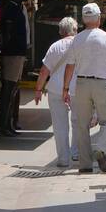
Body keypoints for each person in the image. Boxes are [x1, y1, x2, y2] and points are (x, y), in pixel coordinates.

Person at [62, 2, 106, 174]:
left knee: (82, 126)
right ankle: (101, 148)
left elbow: (70, 66)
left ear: (83, 19)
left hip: (81, 83)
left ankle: (85, 165)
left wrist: (65, 88)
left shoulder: (77, 39)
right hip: (102, 83)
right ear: (98, 18)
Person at [33, 17, 79, 168]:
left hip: (55, 89)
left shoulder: (54, 46)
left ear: (60, 31)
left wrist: (38, 89)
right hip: (76, 89)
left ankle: (63, 159)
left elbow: (44, 71)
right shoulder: (80, 44)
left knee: (60, 126)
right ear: (75, 30)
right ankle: (76, 153)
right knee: (78, 122)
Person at [0, 0, 30, 136]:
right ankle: (3, 125)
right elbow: (7, 32)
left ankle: (8, 123)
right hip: (12, 54)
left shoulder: (17, 7)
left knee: (12, 89)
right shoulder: (11, 9)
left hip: (18, 53)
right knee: (8, 90)